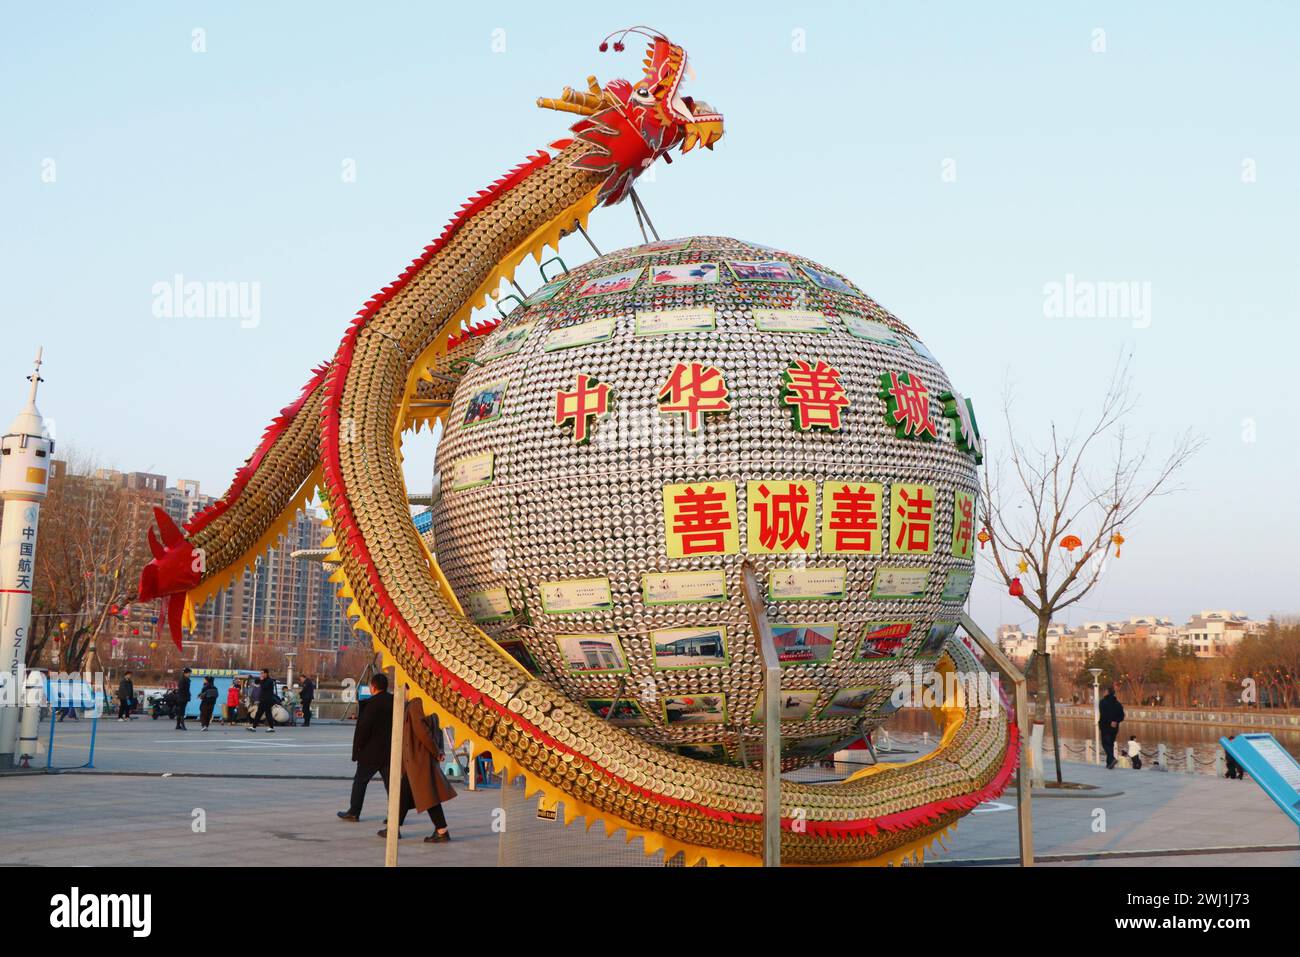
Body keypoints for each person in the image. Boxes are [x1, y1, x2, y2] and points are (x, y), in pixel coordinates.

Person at [377, 696, 455, 843]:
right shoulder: (430, 700)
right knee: (412, 793)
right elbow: (438, 727)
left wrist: (437, 751)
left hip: (417, 759)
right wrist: (439, 749)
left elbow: (422, 731)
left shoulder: (415, 704)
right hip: (420, 759)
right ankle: (396, 828)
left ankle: (440, 831)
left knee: (422, 794)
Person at [338, 674, 394, 821]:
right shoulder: (394, 702)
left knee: (360, 781)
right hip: (389, 750)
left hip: (370, 751)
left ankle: (354, 811)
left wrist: (357, 749)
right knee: (392, 785)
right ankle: (395, 815)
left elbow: (363, 729)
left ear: (373, 687)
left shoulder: (371, 705)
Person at [1098, 684, 1125, 769]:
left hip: (1105, 726)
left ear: (1108, 693)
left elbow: (1104, 714)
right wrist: (1116, 721)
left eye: (1105, 691)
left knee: (1105, 743)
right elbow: (1122, 715)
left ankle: (1112, 759)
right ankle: (1109, 763)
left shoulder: (1102, 702)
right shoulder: (1118, 704)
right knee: (1110, 744)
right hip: (1114, 728)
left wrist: (1110, 722)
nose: (1103, 692)